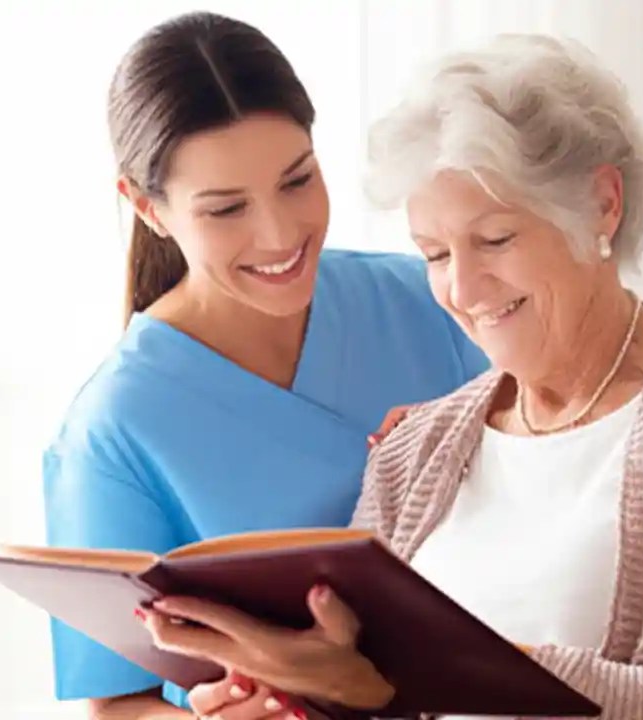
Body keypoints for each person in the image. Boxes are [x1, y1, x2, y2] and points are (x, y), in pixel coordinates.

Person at [139, 33, 643, 719]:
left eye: (496, 240)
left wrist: (451, 667)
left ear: (602, 204)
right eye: (435, 254)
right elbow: (366, 691)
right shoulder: (416, 449)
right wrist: (290, 702)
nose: (464, 288)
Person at [43, 11, 490, 719]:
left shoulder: (436, 301)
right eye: (225, 210)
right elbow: (115, 706)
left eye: (297, 180)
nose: (280, 235)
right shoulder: (115, 427)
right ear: (145, 206)